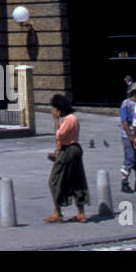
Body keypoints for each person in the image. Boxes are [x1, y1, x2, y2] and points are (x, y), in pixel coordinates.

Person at [46, 94, 89, 222]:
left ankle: (57, 212)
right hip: (74, 149)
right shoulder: (73, 118)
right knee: (76, 180)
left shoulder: (68, 119)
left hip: (68, 150)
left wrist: (55, 120)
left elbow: (60, 135)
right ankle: (81, 213)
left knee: (55, 180)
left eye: (55, 108)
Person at [119, 81, 136, 193]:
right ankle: (124, 182)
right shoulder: (126, 104)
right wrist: (130, 135)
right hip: (129, 135)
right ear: (135, 92)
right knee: (130, 158)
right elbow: (124, 120)